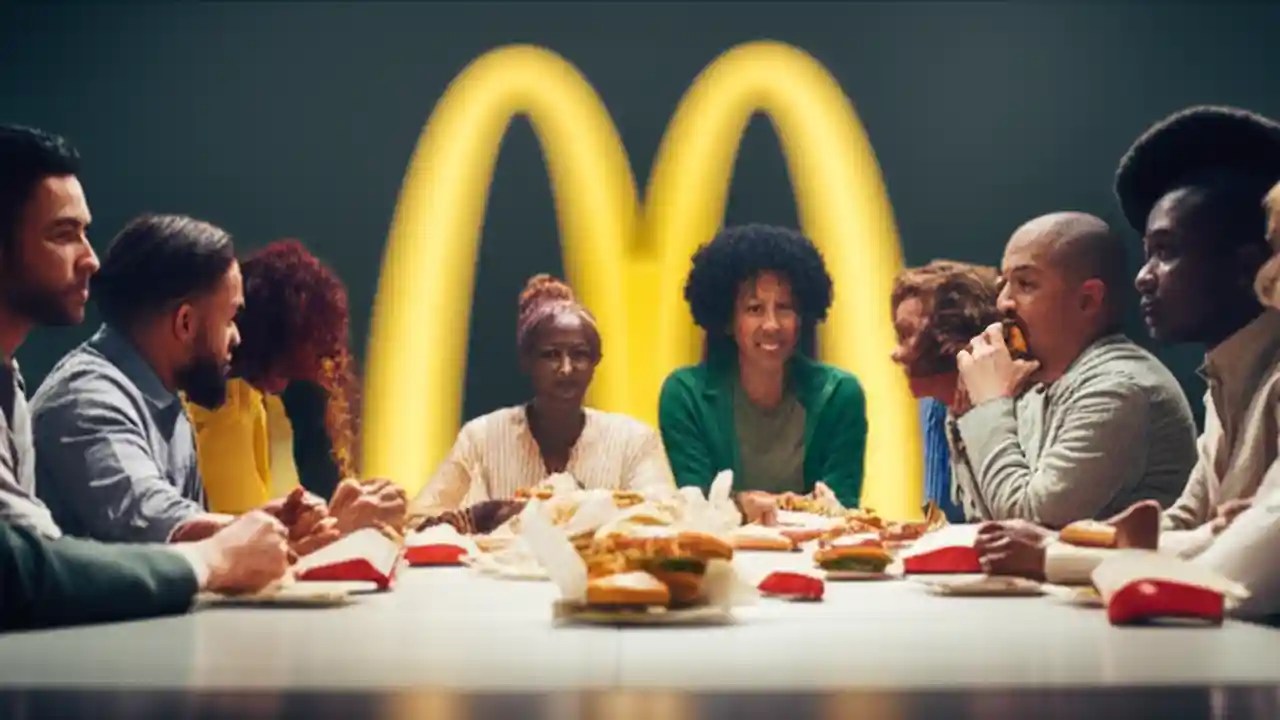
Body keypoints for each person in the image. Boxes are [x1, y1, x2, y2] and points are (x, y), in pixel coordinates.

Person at [977, 109, 1280, 618]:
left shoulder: (1122, 384)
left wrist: (1056, 554)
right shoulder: (1226, 379)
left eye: (1166, 252)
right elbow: (1189, 526)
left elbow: (1230, 576)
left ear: (1250, 265)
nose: (1143, 277)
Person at [0, 124, 288, 629]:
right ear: (184, 322)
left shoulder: (12, 386)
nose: (90, 258)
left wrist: (278, 533)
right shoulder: (84, 400)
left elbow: (33, 549)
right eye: (63, 234)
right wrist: (216, 557)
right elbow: (24, 571)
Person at [30, 214, 391, 546]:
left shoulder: (169, 404)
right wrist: (313, 532)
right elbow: (158, 524)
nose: (236, 336)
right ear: (185, 323)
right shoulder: (87, 401)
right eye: (231, 317)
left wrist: (277, 520)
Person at [951, 211, 1196, 527]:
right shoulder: (1039, 385)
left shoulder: (1118, 388)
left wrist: (989, 405)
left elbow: (1027, 522)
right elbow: (983, 522)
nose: (1003, 303)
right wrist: (973, 408)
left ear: (1088, 300)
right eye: (1003, 284)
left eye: (1025, 284)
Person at [407, 274, 674, 522]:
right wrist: (482, 518)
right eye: (551, 355)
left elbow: (668, 519)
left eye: (579, 355)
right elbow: (418, 519)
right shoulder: (481, 438)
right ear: (526, 362)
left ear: (595, 363)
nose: (566, 368)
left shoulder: (633, 441)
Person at [659, 224, 868, 521]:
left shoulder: (840, 394)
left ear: (801, 317)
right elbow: (695, 504)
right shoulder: (685, 394)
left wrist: (743, 505)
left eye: (784, 308)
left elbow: (842, 506)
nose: (771, 324)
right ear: (728, 321)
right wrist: (745, 507)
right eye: (755, 309)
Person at [187, 239, 363, 514]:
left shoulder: (272, 405)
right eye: (281, 368)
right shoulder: (227, 409)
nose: (280, 384)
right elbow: (243, 531)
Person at [890, 260, 1003, 523]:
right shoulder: (935, 404)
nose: (895, 354)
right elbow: (938, 518)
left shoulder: (1025, 406)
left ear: (952, 338)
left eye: (906, 335)